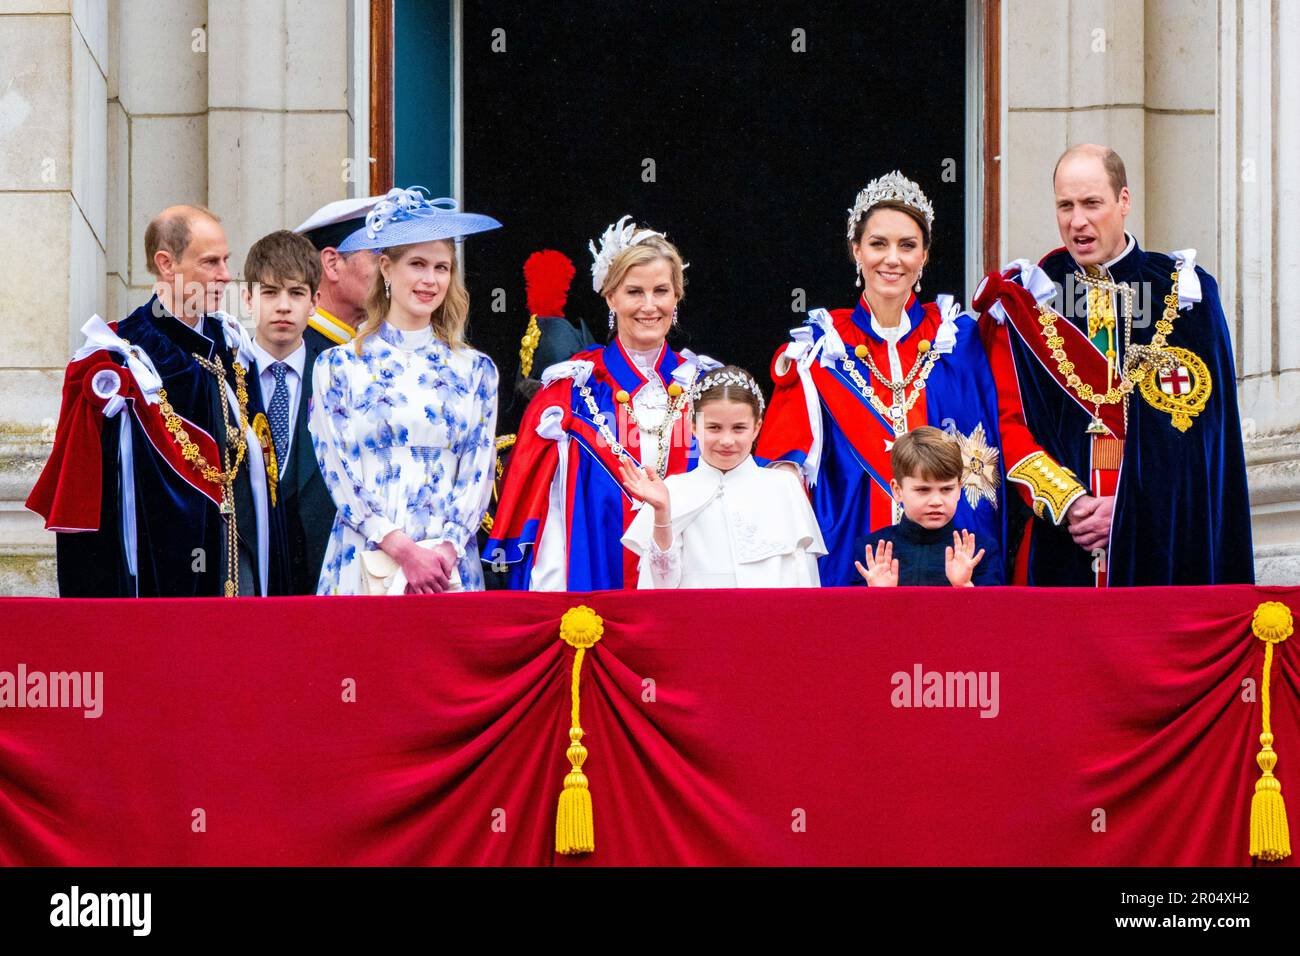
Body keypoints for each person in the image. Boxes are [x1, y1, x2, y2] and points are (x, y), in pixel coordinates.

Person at [757, 171, 1086, 587]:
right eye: (878, 244)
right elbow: (782, 473)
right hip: (856, 561)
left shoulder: (964, 339)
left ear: (925, 255)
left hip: (958, 562)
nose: (892, 259)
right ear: (856, 250)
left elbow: (1013, 425)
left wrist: (1067, 497)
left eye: (907, 245)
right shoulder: (821, 351)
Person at [971, 144, 1254, 586]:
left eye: (1091, 204)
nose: (1077, 221)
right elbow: (1007, 423)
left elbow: (1204, 439)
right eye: (1065, 205)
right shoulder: (1029, 298)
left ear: (1124, 201)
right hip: (1061, 541)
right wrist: (1069, 503)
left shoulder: (1186, 293)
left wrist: (1129, 507)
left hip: (1161, 540)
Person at [28, 204, 285, 597]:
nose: (226, 275)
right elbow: (97, 506)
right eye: (211, 262)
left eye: (226, 260)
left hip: (239, 567)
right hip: (159, 585)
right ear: (167, 264)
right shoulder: (119, 359)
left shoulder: (232, 346)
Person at [485, 216, 721, 590]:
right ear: (610, 296)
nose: (649, 306)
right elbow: (550, 520)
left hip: (693, 583)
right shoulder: (569, 393)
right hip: (595, 582)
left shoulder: (706, 389)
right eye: (634, 292)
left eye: (661, 291)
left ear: (677, 296)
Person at [308, 187, 501, 594]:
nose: (430, 280)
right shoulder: (338, 366)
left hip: (447, 568)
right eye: (417, 264)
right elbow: (337, 470)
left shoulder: (476, 370)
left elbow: (478, 471)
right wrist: (401, 549)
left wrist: (444, 551)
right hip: (367, 558)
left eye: (442, 267)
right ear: (386, 267)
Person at [620, 365, 825, 588]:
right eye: (714, 428)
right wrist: (661, 514)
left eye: (739, 428)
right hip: (697, 620)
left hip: (770, 619)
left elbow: (806, 579)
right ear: (694, 427)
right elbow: (661, 586)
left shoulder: (784, 486)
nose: (727, 440)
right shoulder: (673, 490)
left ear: (756, 428)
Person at [242, 229, 337, 595]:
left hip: (319, 576)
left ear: (314, 301)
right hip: (249, 575)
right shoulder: (223, 377)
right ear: (248, 298)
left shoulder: (335, 379)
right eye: (270, 292)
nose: (283, 306)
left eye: (296, 293)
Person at [853, 426, 994, 588]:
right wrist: (878, 596)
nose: (936, 501)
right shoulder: (871, 550)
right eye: (923, 490)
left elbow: (994, 612)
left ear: (959, 489)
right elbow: (850, 613)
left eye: (947, 489)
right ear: (897, 490)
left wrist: (964, 586)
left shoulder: (980, 551)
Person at [294, 194, 386, 350]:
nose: (390, 271)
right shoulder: (291, 352)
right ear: (332, 264)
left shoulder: (369, 347)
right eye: (378, 257)